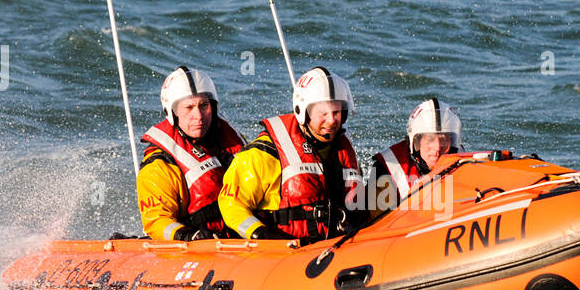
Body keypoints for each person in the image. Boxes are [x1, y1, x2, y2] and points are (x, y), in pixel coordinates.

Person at [219, 66, 362, 242]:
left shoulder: (343, 149)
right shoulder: (264, 153)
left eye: (337, 112)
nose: (332, 120)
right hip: (284, 252)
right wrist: (260, 234)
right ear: (304, 111)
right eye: (323, 113)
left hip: (335, 246)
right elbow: (231, 204)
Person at [136, 65, 246, 241]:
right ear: (173, 112)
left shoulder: (231, 140)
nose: (199, 116)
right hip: (197, 247)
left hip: (243, 239)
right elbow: (156, 220)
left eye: (204, 105)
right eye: (189, 107)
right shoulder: (158, 166)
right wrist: (186, 235)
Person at [368, 97, 462, 216]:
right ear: (416, 141)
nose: (437, 147)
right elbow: (375, 226)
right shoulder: (387, 170)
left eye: (443, 139)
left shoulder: (463, 161)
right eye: (430, 139)